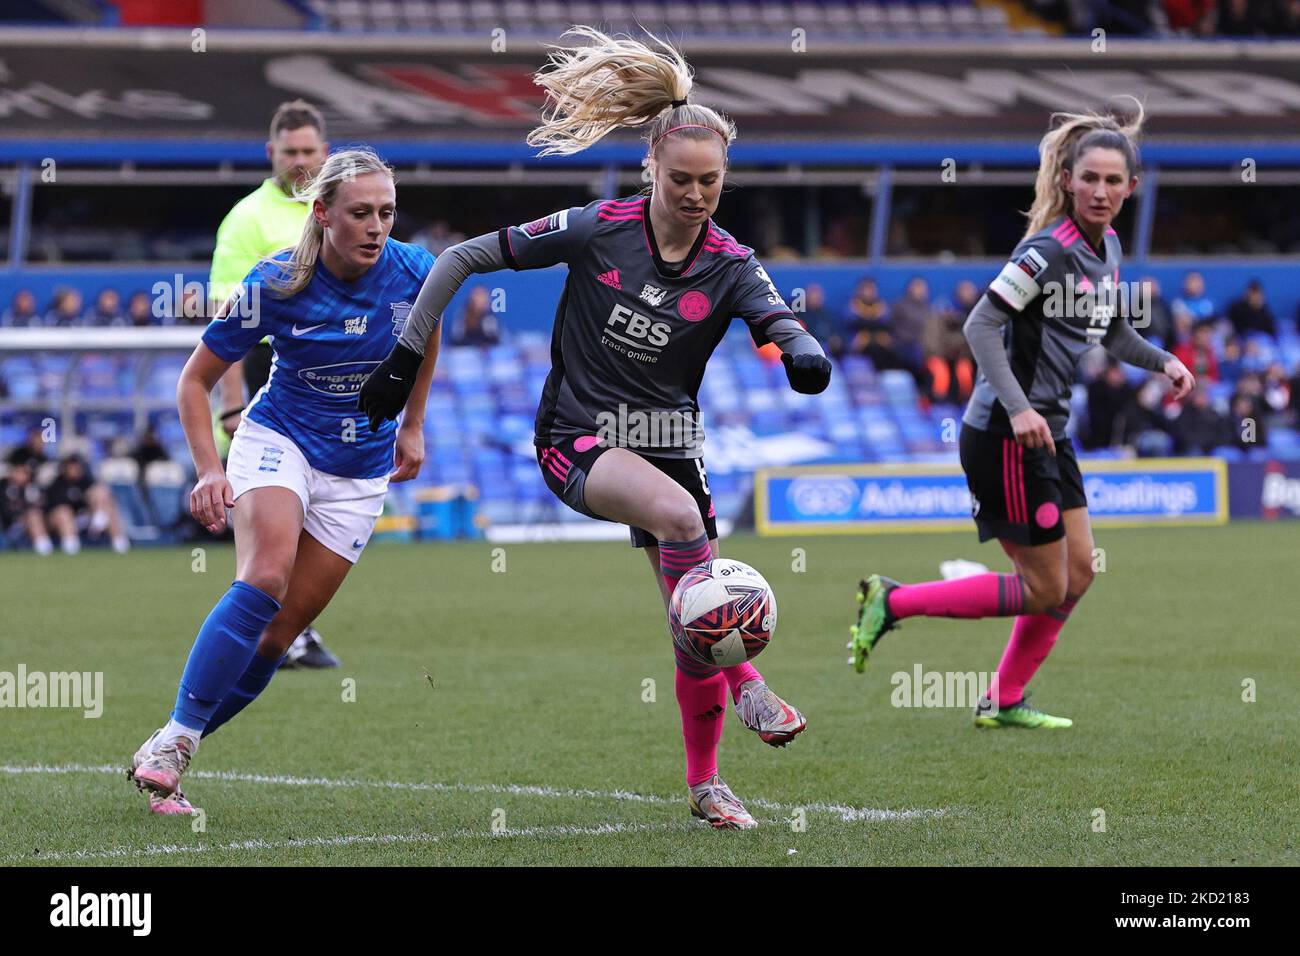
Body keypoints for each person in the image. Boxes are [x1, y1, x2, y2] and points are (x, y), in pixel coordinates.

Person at [360, 26, 831, 830]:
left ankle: (706, 786)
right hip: (575, 434)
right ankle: (750, 688)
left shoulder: (732, 261)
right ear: (650, 167)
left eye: (709, 182)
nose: (694, 194)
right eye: (680, 178)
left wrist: (801, 351)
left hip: (670, 446)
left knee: (694, 618)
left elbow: (778, 320)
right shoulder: (597, 227)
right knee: (690, 542)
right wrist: (404, 360)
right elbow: (461, 258)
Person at [848, 101, 1194, 728]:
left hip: (1048, 433)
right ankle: (893, 601)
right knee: (1043, 587)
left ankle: (1004, 700)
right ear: (1067, 180)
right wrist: (1018, 406)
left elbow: (1111, 332)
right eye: (1090, 178)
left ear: (1131, 188)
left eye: (1114, 181)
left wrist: (1162, 360)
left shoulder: (1107, 247)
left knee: (1079, 573)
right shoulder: (1046, 250)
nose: (1101, 190)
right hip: (1006, 434)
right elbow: (980, 325)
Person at [127, 149, 440, 815]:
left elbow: (428, 327)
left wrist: (413, 422)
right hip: (281, 441)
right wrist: (210, 468)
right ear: (322, 213)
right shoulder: (275, 283)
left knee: (276, 639)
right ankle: (178, 738)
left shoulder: (414, 272)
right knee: (265, 578)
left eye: (386, 212)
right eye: (360, 213)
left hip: (360, 470)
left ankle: (168, 744)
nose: (376, 226)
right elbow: (195, 381)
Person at [207, 99, 339, 669]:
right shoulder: (247, 220)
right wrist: (233, 407)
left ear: (325, 152)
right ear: (271, 154)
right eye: (291, 152)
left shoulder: (344, 207)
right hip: (272, 369)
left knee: (322, 510)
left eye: (310, 151)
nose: (301, 162)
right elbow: (224, 321)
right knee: (276, 516)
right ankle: (267, 631)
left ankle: (289, 630)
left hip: (336, 371)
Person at [43, 453, 131, 555]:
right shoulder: (57, 484)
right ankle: (70, 548)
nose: (74, 469)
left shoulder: (86, 481)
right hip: (63, 521)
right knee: (63, 513)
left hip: (85, 518)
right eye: (71, 466)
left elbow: (102, 495)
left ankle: (120, 545)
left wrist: (92, 504)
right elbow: (55, 507)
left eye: (76, 466)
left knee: (107, 505)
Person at [0, 460, 52, 554]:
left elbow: (44, 506)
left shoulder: (32, 488)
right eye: (19, 472)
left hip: (36, 523)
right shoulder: (4, 488)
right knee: (32, 516)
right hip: (12, 526)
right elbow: (6, 512)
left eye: (25, 472)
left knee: (34, 515)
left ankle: (44, 546)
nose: (22, 475)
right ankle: (44, 549)